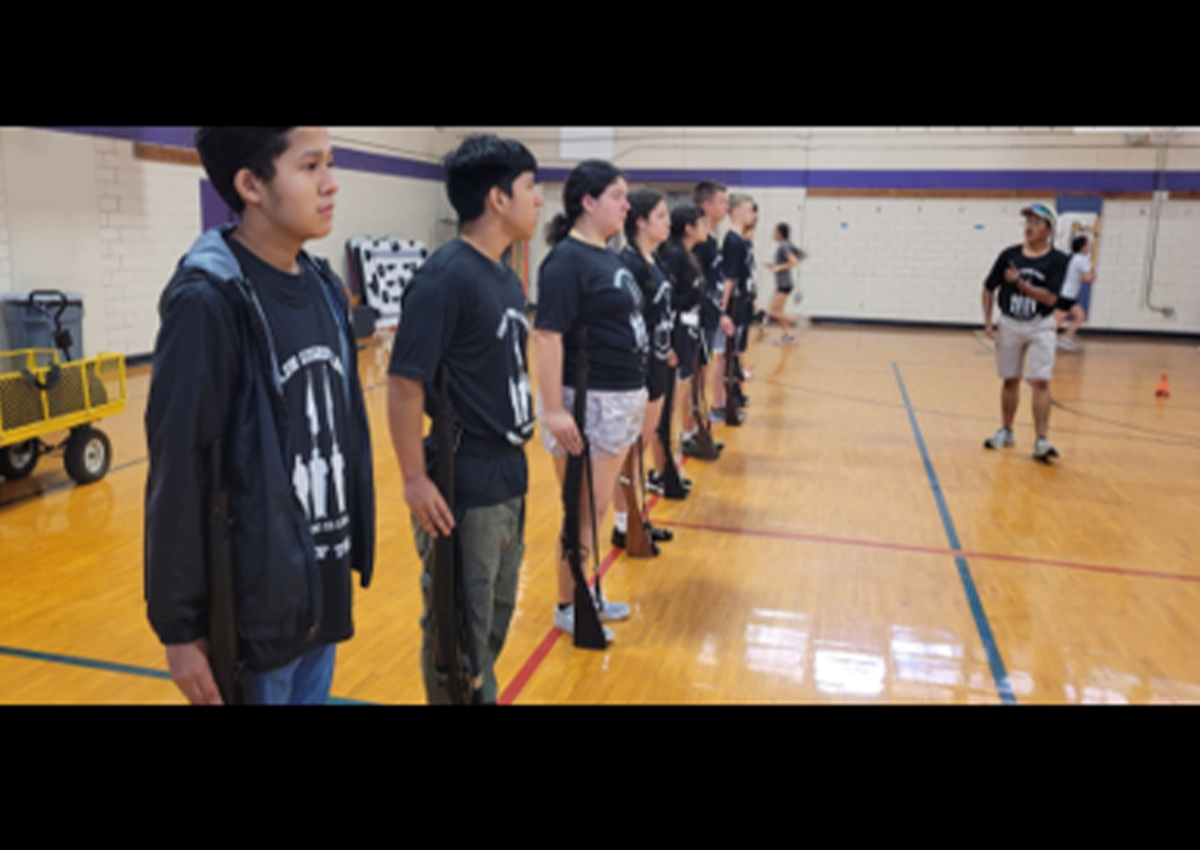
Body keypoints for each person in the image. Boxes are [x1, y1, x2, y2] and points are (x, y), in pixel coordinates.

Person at [144, 127, 376, 705]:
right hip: (253, 614)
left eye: (330, 162)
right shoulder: (208, 302)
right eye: (310, 166)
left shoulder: (324, 288)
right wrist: (179, 630)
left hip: (318, 593)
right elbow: (178, 473)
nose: (331, 183)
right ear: (250, 184)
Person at [387, 134, 542, 704]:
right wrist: (413, 478)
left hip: (508, 475)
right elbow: (404, 382)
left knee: (493, 622)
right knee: (456, 630)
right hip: (465, 479)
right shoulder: (445, 277)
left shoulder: (503, 274)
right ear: (498, 199)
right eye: (531, 187)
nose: (541, 200)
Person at [531, 160, 642, 640]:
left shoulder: (607, 255)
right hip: (588, 403)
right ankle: (568, 603)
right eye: (617, 195)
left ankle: (587, 590)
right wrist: (554, 409)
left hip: (618, 401)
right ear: (588, 202)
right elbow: (547, 337)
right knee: (584, 511)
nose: (627, 204)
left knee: (594, 511)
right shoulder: (565, 262)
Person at [612, 188, 677, 549]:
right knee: (629, 452)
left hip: (658, 363)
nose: (668, 222)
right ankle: (625, 523)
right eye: (661, 216)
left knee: (640, 449)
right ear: (640, 221)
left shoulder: (656, 261)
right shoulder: (628, 265)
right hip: (638, 370)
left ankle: (636, 518)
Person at [982, 203, 1069, 463]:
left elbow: (1051, 298)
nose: (1029, 227)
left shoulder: (1057, 261)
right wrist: (988, 320)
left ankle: (1041, 439)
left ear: (1049, 230)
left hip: (1041, 325)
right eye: (1027, 221)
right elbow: (988, 287)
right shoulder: (1008, 255)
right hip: (1010, 323)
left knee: (1041, 380)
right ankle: (1006, 430)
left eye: (1036, 222)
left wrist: (1019, 283)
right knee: (1010, 379)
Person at [659, 203, 712, 460]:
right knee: (675, 390)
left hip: (691, 326)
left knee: (687, 383)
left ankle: (686, 434)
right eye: (702, 223)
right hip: (678, 328)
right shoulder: (674, 256)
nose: (707, 228)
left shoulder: (690, 255)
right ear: (689, 228)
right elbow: (671, 299)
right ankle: (669, 446)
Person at [692, 181, 736, 417]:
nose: (726, 207)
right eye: (721, 202)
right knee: (697, 373)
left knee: (705, 368)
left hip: (711, 315)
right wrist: (717, 314)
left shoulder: (711, 240)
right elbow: (698, 286)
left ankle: (699, 419)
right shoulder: (699, 244)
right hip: (699, 318)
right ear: (706, 205)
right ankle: (692, 425)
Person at [718, 193, 758, 418]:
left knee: (737, 350)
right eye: (749, 209)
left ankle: (735, 392)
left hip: (744, 301)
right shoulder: (732, 241)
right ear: (736, 212)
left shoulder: (742, 240)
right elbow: (729, 278)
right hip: (735, 302)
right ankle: (728, 397)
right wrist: (722, 309)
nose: (753, 214)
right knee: (729, 351)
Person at [763, 222, 805, 344]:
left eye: (775, 231)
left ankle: (796, 320)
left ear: (780, 234)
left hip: (784, 284)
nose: (773, 234)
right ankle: (788, 336)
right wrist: (774, 266)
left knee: (773, 312)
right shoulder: (786, 245)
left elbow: (793, 262)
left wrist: (778, 268)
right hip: (784, 283)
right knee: (779, 311)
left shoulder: (784, 246)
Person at [1056, 234, 1094, 352]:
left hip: (1069, 295)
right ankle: (1035, 340)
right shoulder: (1082, 259)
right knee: (1055, 322)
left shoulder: (1073, 257)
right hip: (1066, 295)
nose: (1090, 246)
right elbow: (1088, 278)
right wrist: (1092, 276)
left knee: (1080, 316)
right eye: (1088, 244)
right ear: (1083, 247)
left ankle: (1065, 338)